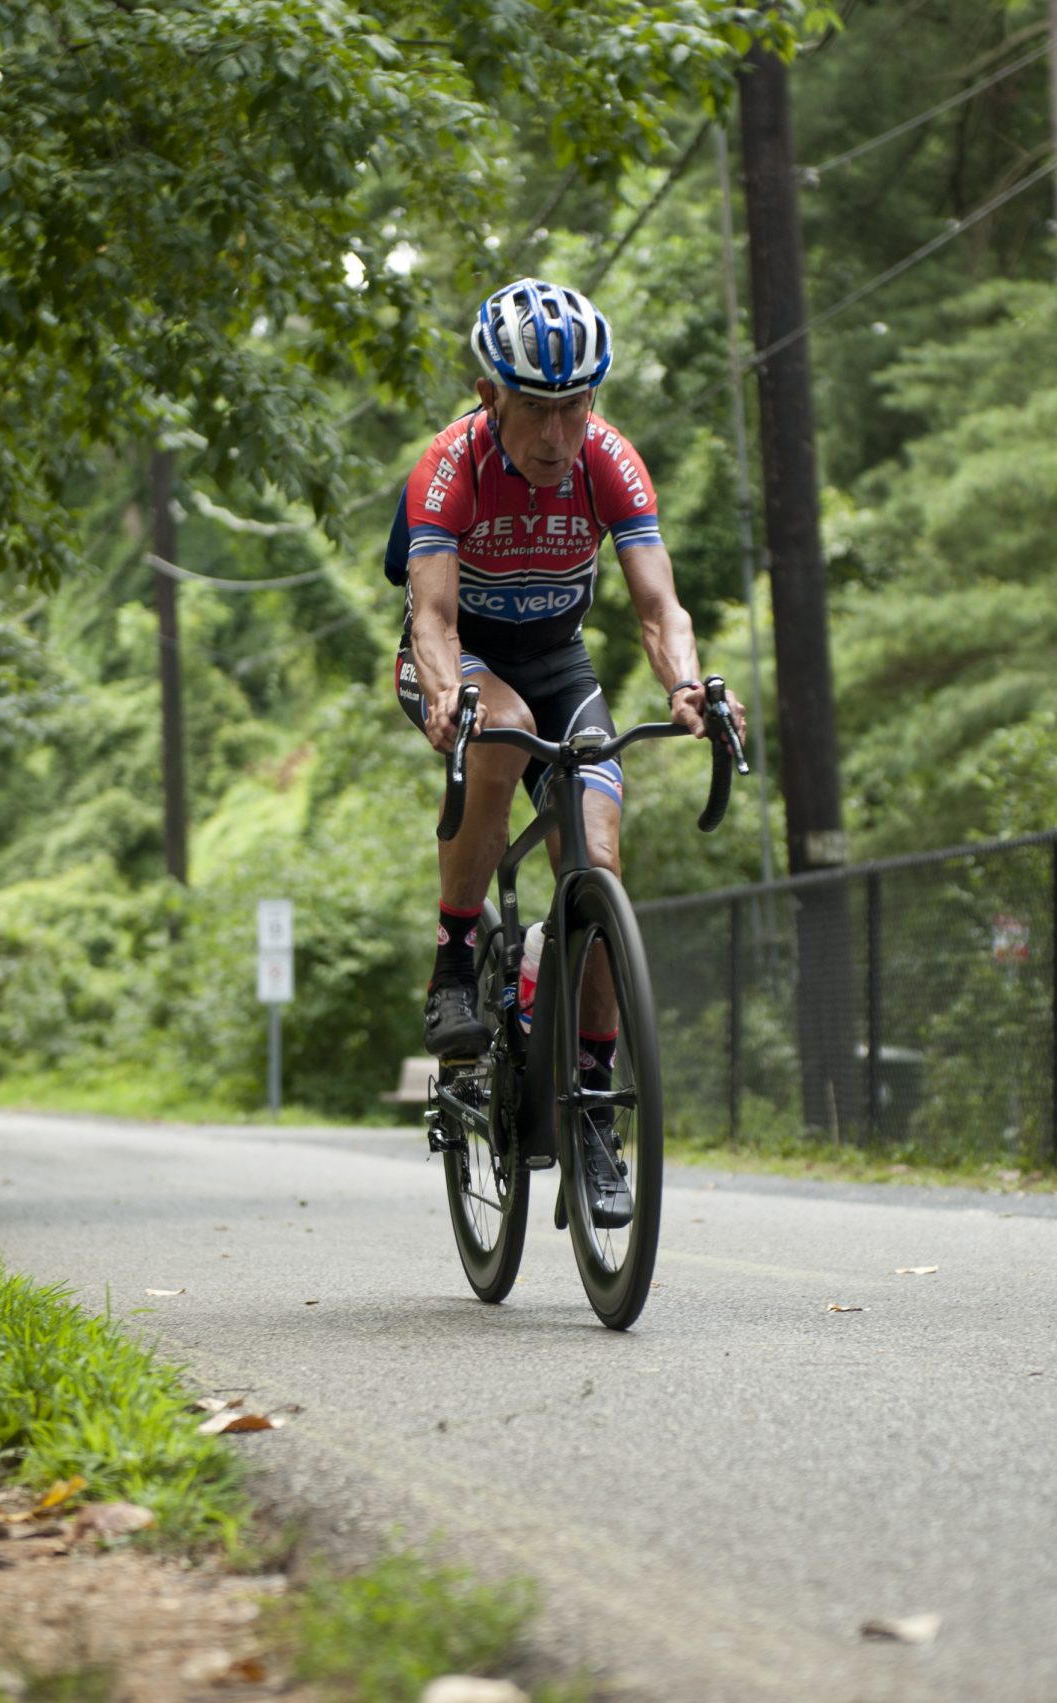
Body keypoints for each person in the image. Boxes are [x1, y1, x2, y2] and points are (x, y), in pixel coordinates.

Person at [386, 277, 743, 1230]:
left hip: (559, 658)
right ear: (490, 391)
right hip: (461, 656)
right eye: (537, 409)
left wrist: (687, 686)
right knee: (498, 735)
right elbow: (429, 613)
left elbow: (660, 607)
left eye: (575, 406)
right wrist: (449, 694)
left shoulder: (610, 463)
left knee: (599, 853)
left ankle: (592, 1109)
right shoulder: (449, 465)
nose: (556, 434)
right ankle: (457, 959)